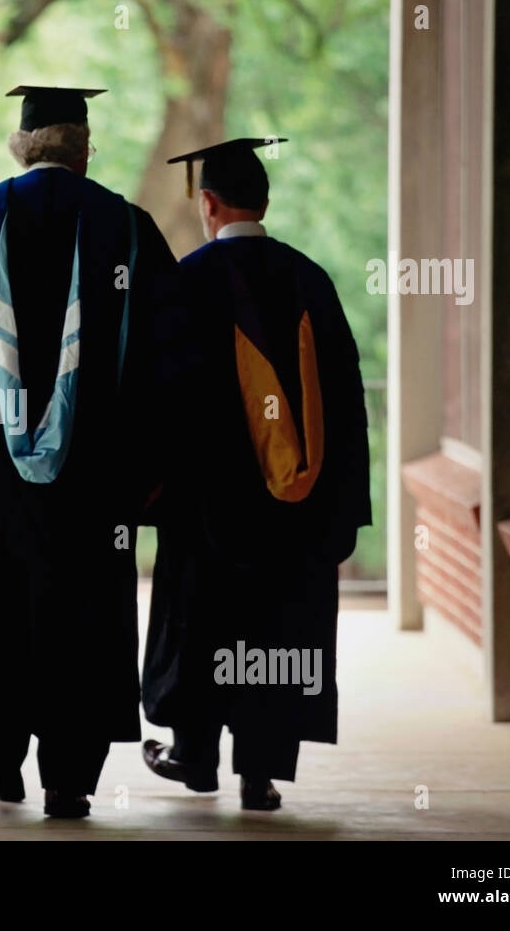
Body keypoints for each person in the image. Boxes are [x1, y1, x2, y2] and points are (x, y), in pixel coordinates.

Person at [0, 86, 176, 818]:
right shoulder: (127, 226)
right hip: (99, 478)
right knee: (83, 615)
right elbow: (168, 358)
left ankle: (3, 758)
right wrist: (156, 469)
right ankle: (71, 780)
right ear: (85, 148)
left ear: (18, 146)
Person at [141, 137, 371, 810]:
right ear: (264, 202)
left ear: (207, 203)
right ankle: (260, 776)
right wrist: (344, 507)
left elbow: (160, 401)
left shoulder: (185, 280)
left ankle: (194, 757)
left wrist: (148, 491)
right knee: (278, 632)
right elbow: (349, 405)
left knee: (202, 626)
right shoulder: (312, 280)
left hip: (206, 511)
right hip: (293, 515)